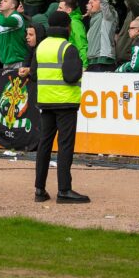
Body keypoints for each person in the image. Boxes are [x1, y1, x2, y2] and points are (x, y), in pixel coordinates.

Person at [32, 11, 88, 204]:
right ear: (67, 27)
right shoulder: (68, 47)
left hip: (46, 102)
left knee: (44, 145)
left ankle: (40, 190)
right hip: (65, 103)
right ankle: (64, 190)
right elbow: (71, 76)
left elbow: (33, 74)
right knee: (65, 146)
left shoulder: (41, 46)